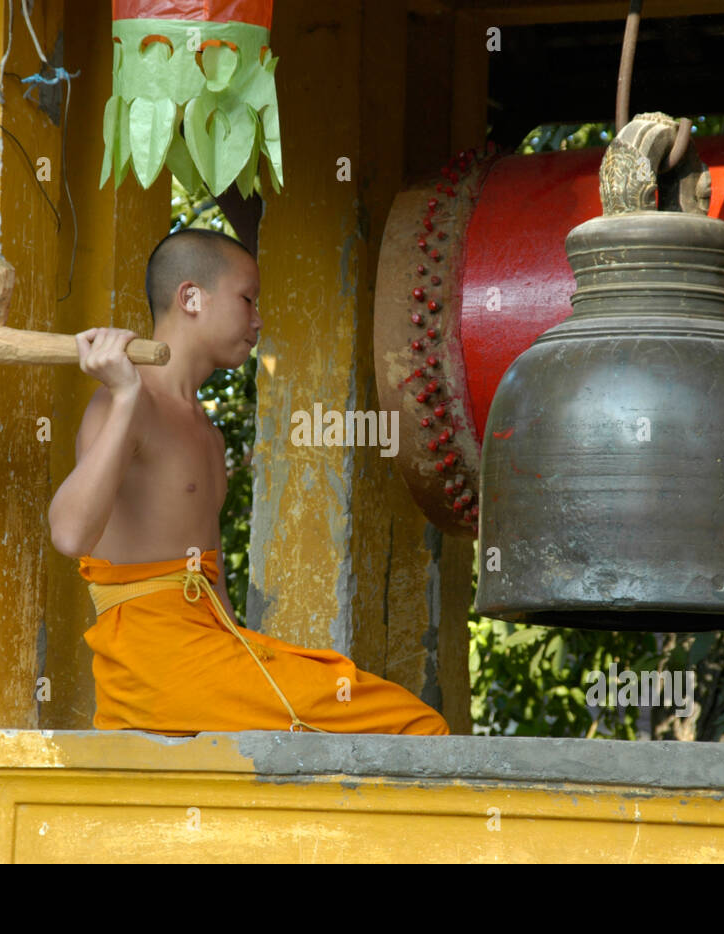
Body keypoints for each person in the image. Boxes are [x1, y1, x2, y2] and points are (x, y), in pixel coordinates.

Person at [48, 228, 450, 736]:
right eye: (247, 300)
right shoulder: (124, 401)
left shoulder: (206, 433)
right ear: (191, 298)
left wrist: (244, 661)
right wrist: (126, 395)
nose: (258, 320)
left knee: (382, 710)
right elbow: (69, 535)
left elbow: (211, 583)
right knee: (415, 724)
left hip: (208, 652)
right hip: (156, 667)